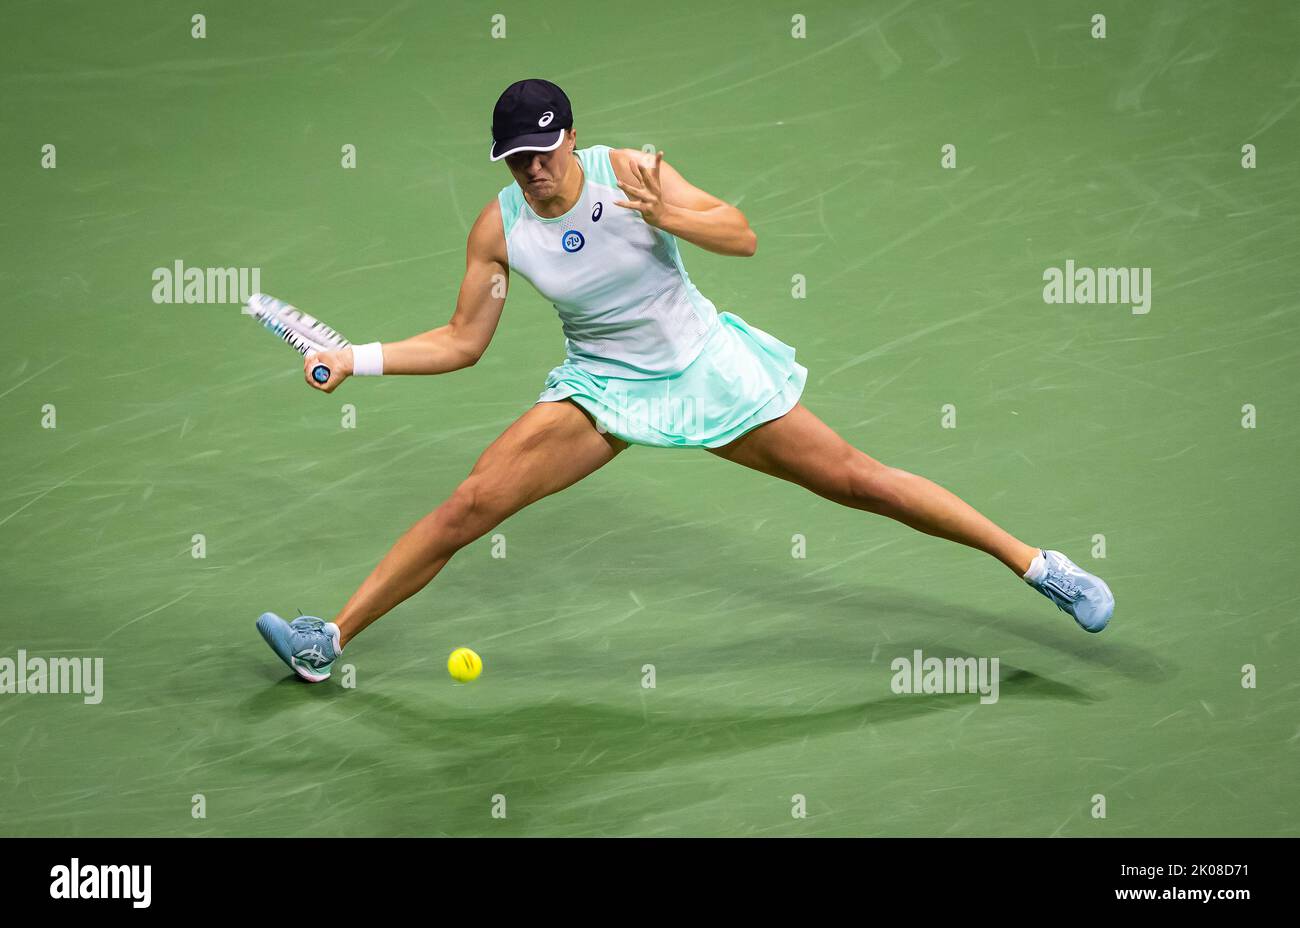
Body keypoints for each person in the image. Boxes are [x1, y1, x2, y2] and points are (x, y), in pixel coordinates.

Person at [257, 78, 1114, 683]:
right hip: (602, 390)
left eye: (544, 154)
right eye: (516, 160)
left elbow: (740, 235)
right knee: (468, 507)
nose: (533, 172)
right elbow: (460, 341)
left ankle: (1038, 565)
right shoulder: (501, 226)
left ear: (570, 138)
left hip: (706, 366)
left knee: (859, 481)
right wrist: (355, 358)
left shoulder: (630, 170)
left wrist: (668, 213)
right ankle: (325, 639)